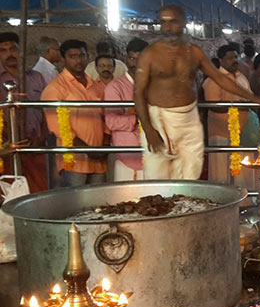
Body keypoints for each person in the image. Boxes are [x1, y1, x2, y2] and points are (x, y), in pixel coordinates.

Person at [135, 5, 260, 180]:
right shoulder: (149, 54)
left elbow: (220, 78)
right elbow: (138, 93)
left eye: (172, 22)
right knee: (157, 178)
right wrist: (149, 130)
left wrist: (253, 98)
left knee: (190, 175)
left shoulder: (194, 52)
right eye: (163, 22)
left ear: (183, 23)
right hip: (159, 120)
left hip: (189, 119)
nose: (167, 28)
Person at [42, 39, 107, 186]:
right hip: (74, 159)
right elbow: (57, 127)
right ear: (63, 58)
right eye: (73, 56)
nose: (78, 60)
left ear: (88, 57)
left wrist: (104, 146)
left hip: (98, 158)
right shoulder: (55, 88)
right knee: (74, 204)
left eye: (82, 55)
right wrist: (86, 150)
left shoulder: (95, 85)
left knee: (99, 204)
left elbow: (105, 116)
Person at [0, 32, 48, 191]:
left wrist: (41, 138)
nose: (9, 54)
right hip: (6, 149)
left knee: (37, 193)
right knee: (9, 195)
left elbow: (46, 111)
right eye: (3, 50)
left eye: (13, 49)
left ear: (21, 51)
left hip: (34, 146)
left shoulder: (36, 77)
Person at [203, 44, 253, 184]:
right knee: (222, 172)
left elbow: (250, 97)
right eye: (230, 58)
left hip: (243, 132)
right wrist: (239, 107)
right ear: (220, 61)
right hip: (221, 133)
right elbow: (213, 106)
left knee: (243, 172)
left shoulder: (241, 77)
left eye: (236, 57)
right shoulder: (213, 80)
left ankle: (245, 203)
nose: (234, 60)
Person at [104, 38, 149, 182]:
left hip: (153, 153)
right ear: (126, 59)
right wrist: (138, 118)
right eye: (131, 58)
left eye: (140, 58)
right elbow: (111, 122)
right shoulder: (115, 87)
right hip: (128, 156)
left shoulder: (155, 85)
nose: (135, 63)